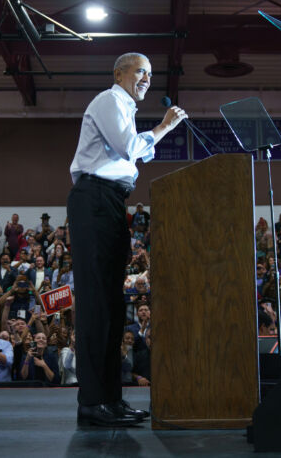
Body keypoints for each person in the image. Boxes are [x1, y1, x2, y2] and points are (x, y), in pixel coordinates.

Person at [66, 52, 186, 427]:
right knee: (96, 305)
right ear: (119, 74)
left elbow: (134, 152)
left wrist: (159, 131)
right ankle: (92, 402)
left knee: (114, 308)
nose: (147, 78)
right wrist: (164, 126)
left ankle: (111, 399)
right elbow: (129, 148)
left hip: (113, 201)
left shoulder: (125, 108)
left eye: (150, 73)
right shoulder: (109, 100)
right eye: (140, 71)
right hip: (94, 199)